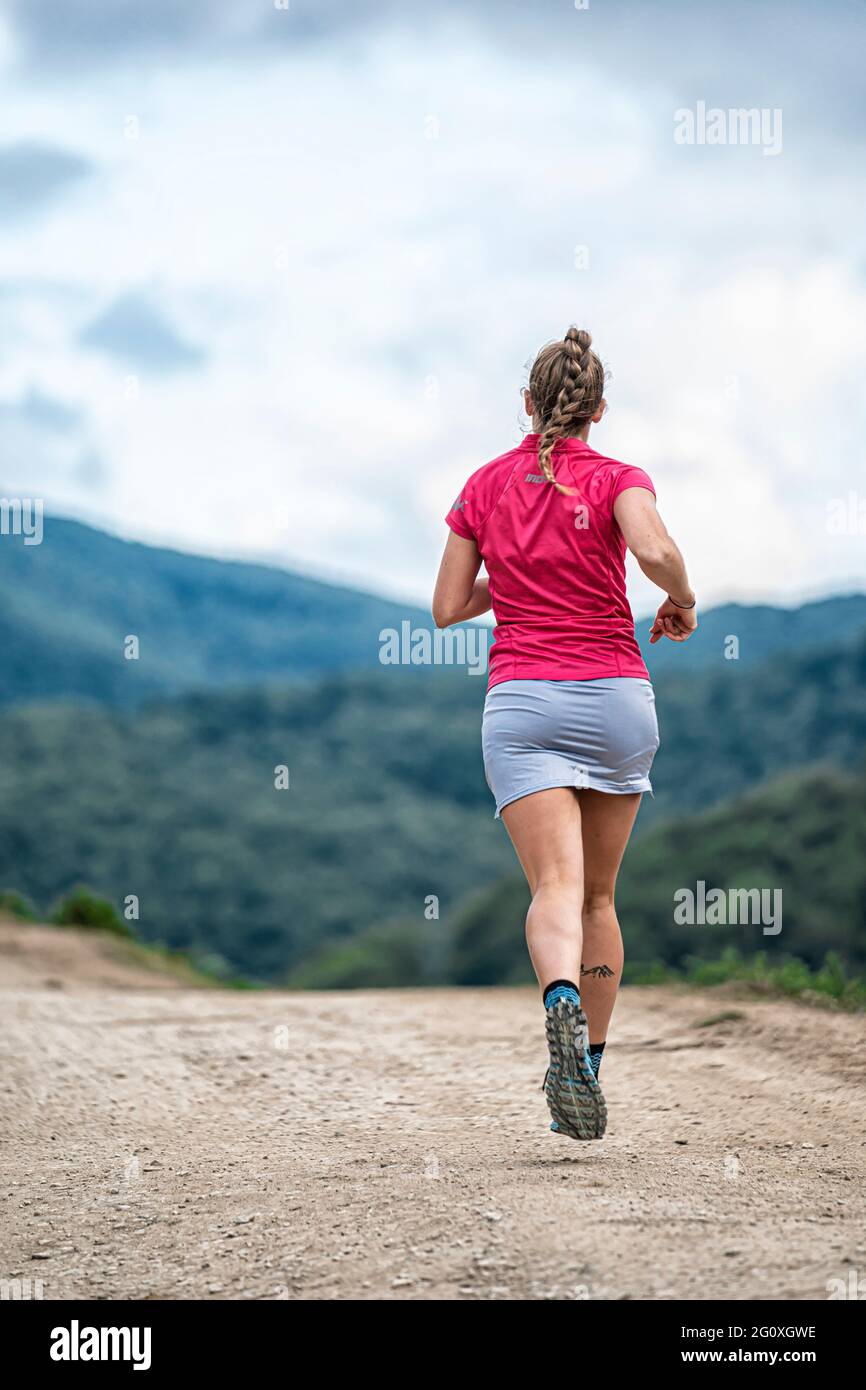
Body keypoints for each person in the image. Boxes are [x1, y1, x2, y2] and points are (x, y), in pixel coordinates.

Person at [431, 326, 696, 1140]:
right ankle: (589, 1062)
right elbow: (651, 548)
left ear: (528, 403)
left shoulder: (484, 485)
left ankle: (559, 1004)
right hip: (616, 696)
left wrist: (509, 575)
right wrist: (683, 599)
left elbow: (445, 608)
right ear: (599, 409)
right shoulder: (619, 478)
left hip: (524, 702)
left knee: (553, 888)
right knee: (600, 897)